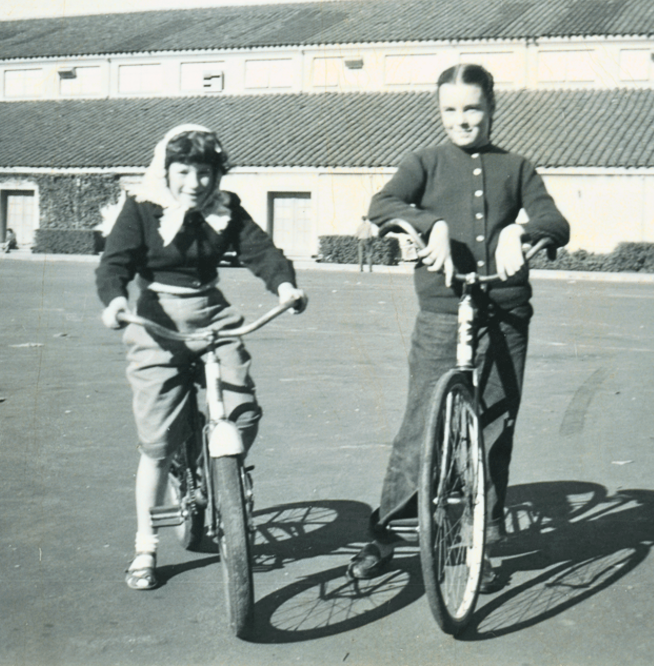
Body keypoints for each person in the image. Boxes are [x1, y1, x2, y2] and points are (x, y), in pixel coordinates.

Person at [348, 64, 570, 591]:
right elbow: (382, 206)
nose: (462, 120)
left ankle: (481, 539)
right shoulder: (423, 163)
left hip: (506, 315)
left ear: (491, 108)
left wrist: (524, 232)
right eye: (451, 110)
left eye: (472, 108)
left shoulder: (517, 167)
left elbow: (555, 221)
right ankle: (385, 532)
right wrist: (432, 225)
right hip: (443, 313)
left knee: (493, 425)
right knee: (421, 424)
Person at [96, 124, 307, 591]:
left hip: (212, 313)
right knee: (156, 443)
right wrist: (114, 302)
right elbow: (114, 264)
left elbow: (261, 250)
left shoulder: (225, 209)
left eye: (206, 172)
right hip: (156, 319)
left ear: (218, 174)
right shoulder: (142, 208)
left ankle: (222, 480)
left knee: (243, 412)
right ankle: (145, 545)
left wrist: (285, 285)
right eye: (184, 171)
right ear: (166, 170)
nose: (195, 183)